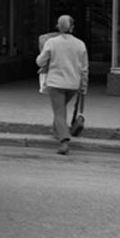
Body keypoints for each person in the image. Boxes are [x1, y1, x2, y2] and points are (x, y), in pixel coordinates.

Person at [36, 15, 89, 155]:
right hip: (73, 84)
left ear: (58, 27)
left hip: (56, 83)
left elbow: (40, 62)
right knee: (61, 107)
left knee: (59, 112)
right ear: (72, 27)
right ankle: (57, 130)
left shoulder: (52, 42)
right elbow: (84, 69)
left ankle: (64, 140)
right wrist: (83, 87)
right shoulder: (80, 44)